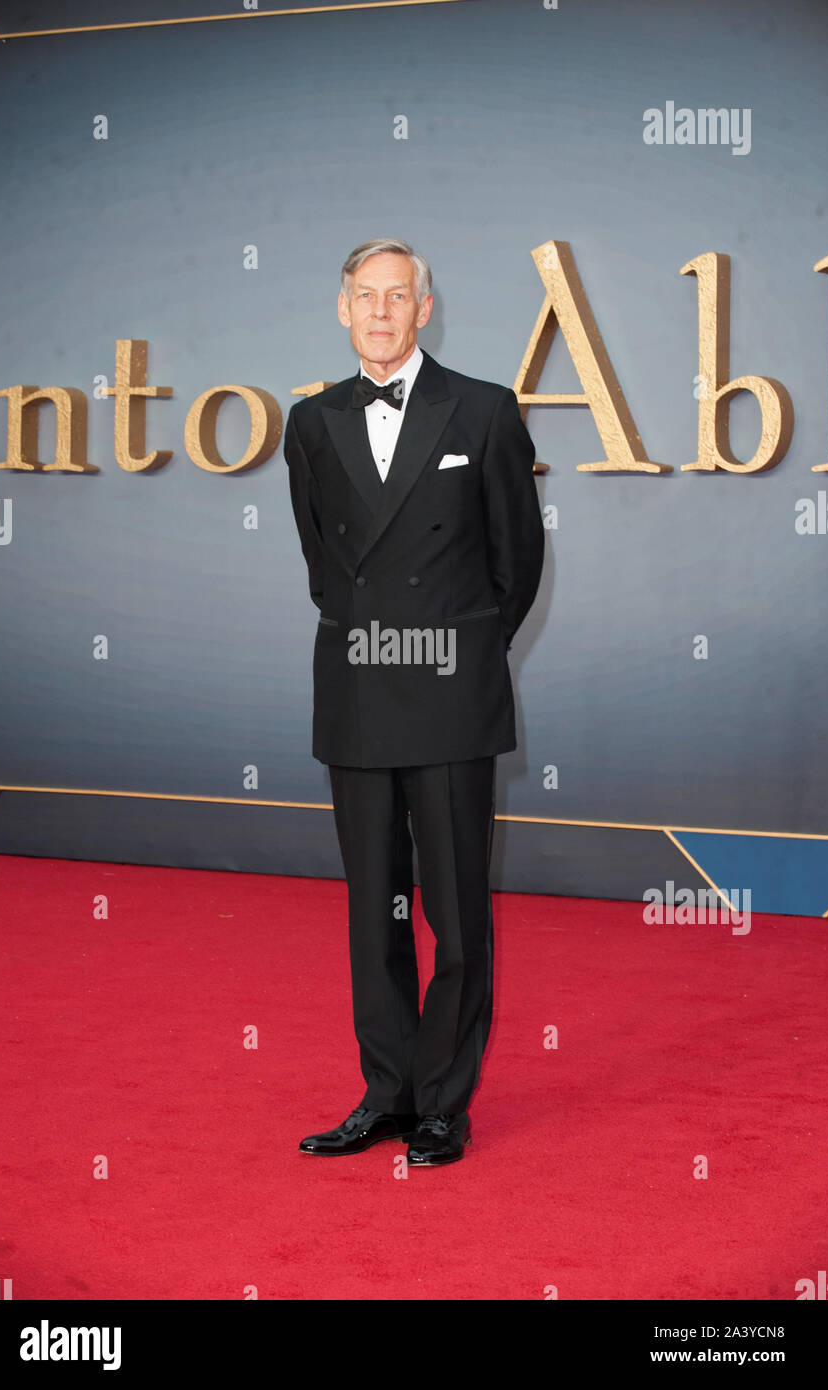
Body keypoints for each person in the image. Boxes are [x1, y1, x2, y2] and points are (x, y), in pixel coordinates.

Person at [284, 237, 544, 1165]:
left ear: (424, 309)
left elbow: (516, 563)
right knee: (374, 908)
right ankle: (386, 1093)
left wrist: (458, 652)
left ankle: (444, 1101)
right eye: (366, 296)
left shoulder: (481, 410)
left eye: (399, 296)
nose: (382, 312)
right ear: (343, 308)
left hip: (447, 692)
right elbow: (322, 563)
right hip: (356, 691)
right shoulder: (309, 423)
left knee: (456, 911)